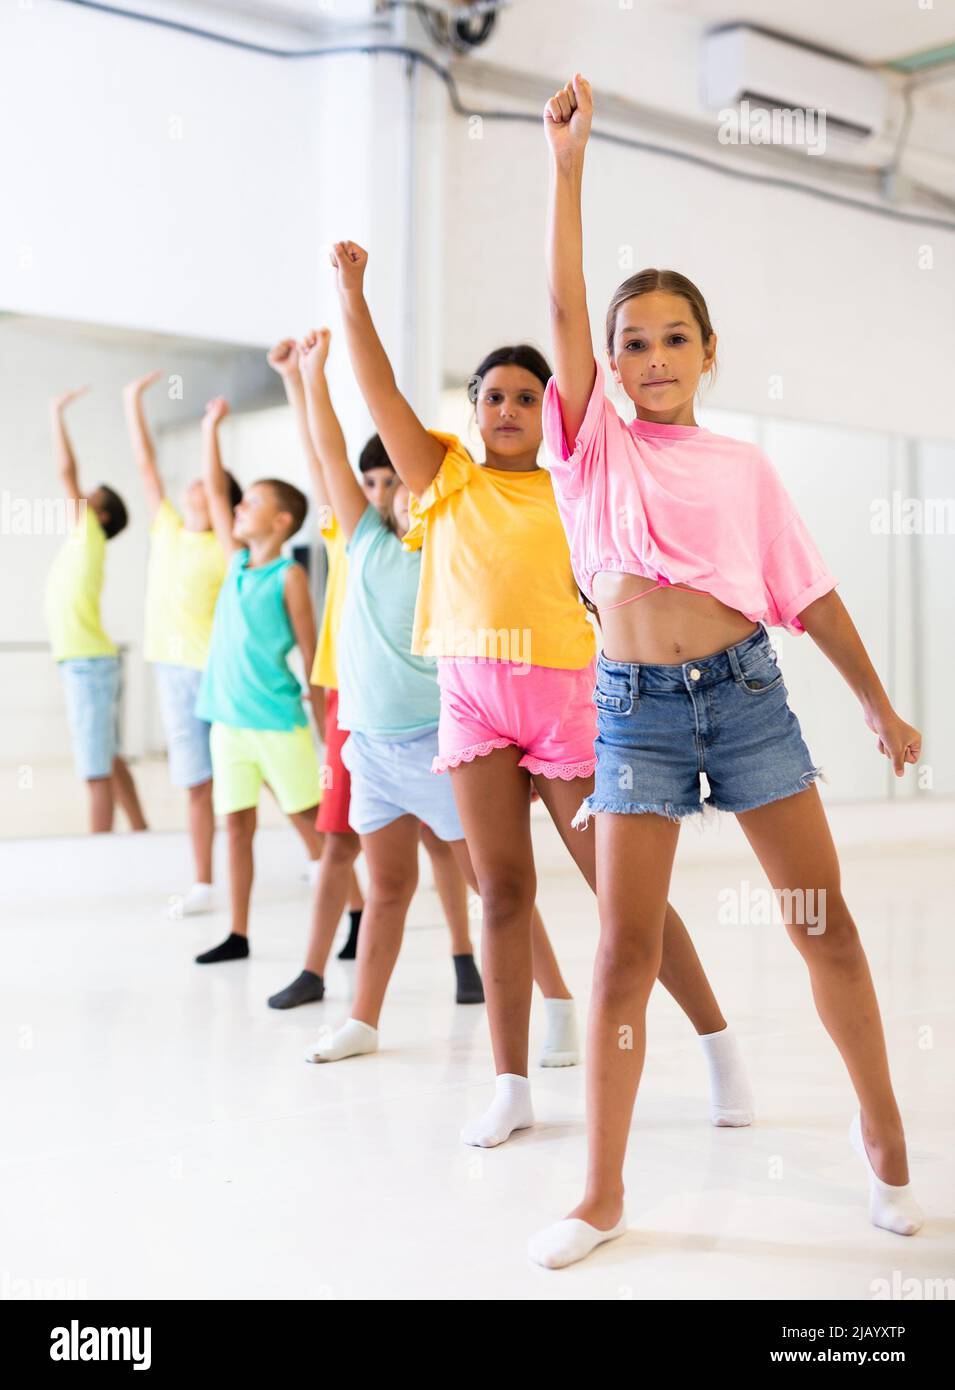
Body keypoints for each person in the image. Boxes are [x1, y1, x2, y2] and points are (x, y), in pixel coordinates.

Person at [530, 73, 924, 1268]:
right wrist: (567, 168)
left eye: (672, 340)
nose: (651, 358)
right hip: (636, 714)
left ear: (707, 352)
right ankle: (599, 1190)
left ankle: (885, 1134)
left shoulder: (740, 468)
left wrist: (876, 699)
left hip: (747, 700)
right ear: (604, 362)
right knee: (622, 952)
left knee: (826, 929)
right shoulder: (588, 445)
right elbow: (559, 307)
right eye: (629, 342)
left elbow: (807, 593)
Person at [331, 241, 752, 1147]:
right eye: (495, 397)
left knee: (620, 897)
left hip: (565, 706)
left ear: (549, 409)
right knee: (501, 892)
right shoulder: (442, 479)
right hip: (473, 705)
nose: (512, 408)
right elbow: (376, 395)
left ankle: (718, 1043)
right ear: (474, 412)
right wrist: (352, 297)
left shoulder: (574, 479)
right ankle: (511, 1084)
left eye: (528, 396)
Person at [263, 339, 483, 1009]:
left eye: (396, 480)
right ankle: (314, 968)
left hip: (422, 718)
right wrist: (300, 381)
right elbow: (320, 454)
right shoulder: (349, 530)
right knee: (340, 845)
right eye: (372, 482)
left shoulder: (436, 542)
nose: (385, 490)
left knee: (447, 850)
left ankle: (465, 958)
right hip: (353, 707)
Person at [193, 397, 324, 964]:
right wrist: (211, 428)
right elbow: (216, 492)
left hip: (277, 721)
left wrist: (330, 734)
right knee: (237, 828)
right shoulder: (235, 561)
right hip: (228, 724)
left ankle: (357, 913)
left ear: (281, 522)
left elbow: (313, 656)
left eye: (252, 504)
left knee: (315, 831)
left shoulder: (288, 574)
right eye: (239, 503)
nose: (238, 509)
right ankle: (238, 934)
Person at [123, 370, 242, 914]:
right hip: (172, 672)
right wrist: (132, 402)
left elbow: (215, 486)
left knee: (249, 771)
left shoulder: (226, 543)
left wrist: (209, 429)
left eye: (202, 485)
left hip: (214, 672)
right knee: (196, 782)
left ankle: (319, 855)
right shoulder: (168, 526)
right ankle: (203, 883)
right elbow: (146, 466)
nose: (191, 487)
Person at [44, 386, 148, 835]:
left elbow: (66, 469)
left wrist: (56, 412)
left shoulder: (87, 532)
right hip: (90, 661)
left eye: (90, 496)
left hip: (87, 663)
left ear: (100, 515)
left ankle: (98, 848)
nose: (80, 496)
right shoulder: (82, 538)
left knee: (95, 769)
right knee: (106, 755)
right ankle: (141, 831)